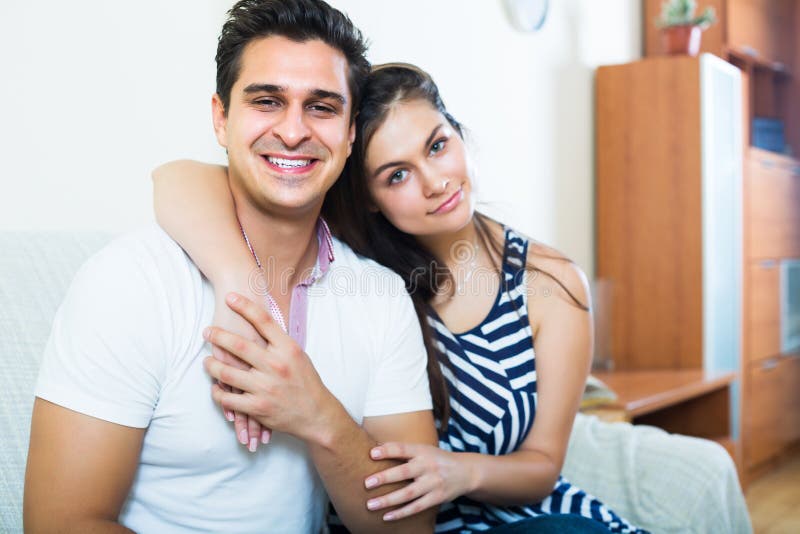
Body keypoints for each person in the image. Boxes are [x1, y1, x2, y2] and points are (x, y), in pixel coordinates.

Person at [151, 63, 648, 533]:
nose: (435, 183)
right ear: (368, 195)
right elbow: (173, 179)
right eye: (397, 175)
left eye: (436, 146)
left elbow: (542, 467)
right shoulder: (351, 269)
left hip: (528, 520)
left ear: (457, 133)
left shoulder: (548, 280)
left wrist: (457, 472)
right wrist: (237, 282)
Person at [24, 2, 440, 533]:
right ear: (222, 119)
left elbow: (410, 529)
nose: (293, 132)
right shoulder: (131, 282)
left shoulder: (379, 297)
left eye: (322, 107)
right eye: (267, 101)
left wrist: (321, 419)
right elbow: (58, 524)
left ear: (352, 133)